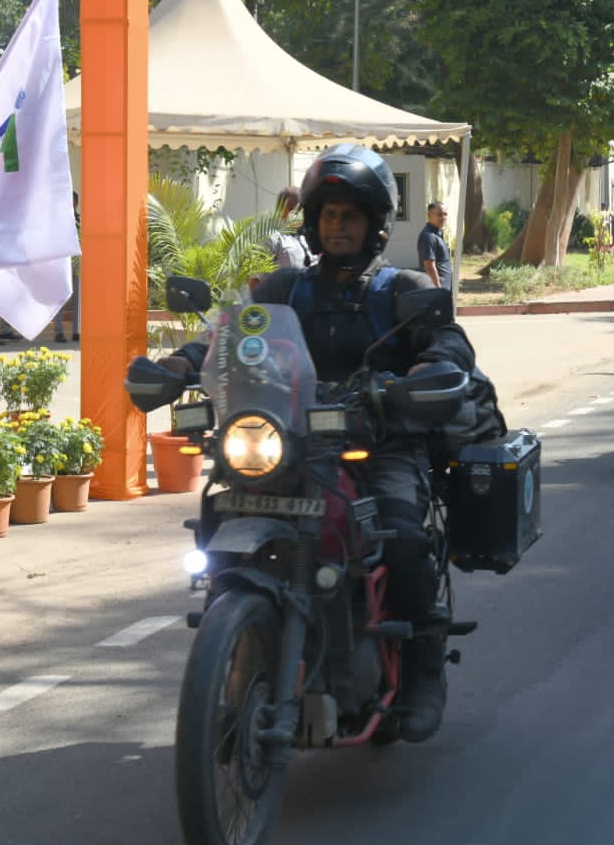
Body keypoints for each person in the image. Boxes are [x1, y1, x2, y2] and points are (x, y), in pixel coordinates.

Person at [159, 144, 475, 744]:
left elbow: (449, 345)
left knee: (403, 536)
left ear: (374, 224)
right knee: (221, 505)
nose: (337, 225)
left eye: (350, 214)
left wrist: (421, 374)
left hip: (380, 444)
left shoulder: (400, 289)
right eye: (327, 213)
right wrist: (181, 363)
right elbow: (230, 334)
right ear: (311, 220)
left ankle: (424, 669)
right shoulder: (284, 288)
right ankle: (239, 636)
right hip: (292, 441)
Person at [52, 190, 82, 342]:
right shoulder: (56, 220)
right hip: (61, 262)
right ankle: (59, 331)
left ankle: (77, 331)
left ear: (76, 203)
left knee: (78, 299)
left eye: (71, 201)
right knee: (59, 297)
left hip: (78, 263)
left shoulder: (81, 220)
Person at [263, 185, 312, 271]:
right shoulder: (271, 239)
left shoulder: (305, 237)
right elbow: (255, 281)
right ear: (279, 209)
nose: (296, 214)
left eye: (300, 209)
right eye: (291, 208)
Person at [417, 200, 452, 290]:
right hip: (434, 291)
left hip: (443, 290)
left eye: (445, 214)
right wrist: (438, 291)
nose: (443, 217)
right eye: (439, 214)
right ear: (429, 215)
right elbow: (429, 266)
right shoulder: (429, 237)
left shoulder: (437, 234)